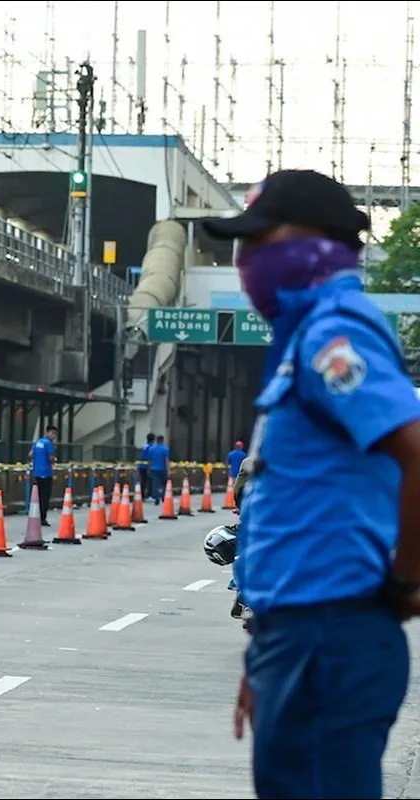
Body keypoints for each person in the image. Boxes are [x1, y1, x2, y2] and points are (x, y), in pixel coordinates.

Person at [202, 168, 420, 799]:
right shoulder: (305, 336)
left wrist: (406, 580)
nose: (247, 258)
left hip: (332, 635)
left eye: (263, 239)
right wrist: (271, 649)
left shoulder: (333, 334)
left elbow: (417, 455)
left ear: (319, 242)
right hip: (302, 637)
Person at [28, 424, 57, 526]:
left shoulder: (38, 442)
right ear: (48, 432)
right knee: (45, 496)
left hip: (36, 473)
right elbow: (51, 458)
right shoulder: (48, 443)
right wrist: (54, 461)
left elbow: (30, 454)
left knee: (37, 496)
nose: (54, 436)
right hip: (46, 473)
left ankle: (35, 516)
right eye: (53, 433)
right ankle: (42, 518)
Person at [147, 435, 170, 504]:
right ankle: (163, 496)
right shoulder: (166, 449)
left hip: (154, 468)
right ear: (162, 440)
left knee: (155, 484)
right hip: (163, 469)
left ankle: (156, 497)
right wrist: (168, 470)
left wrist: (149, 468)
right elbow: (166, 460)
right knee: (163, 484)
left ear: (156, 440)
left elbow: (149, 460)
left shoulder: (151, 449)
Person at [138, 432, 155, 502]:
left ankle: (141, 495)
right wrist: (149, 467)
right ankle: (149, 495)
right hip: (147, 466)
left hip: (141, 465)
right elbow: (150, 458)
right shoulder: (152, 447)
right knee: (150, 480)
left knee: (143, 481)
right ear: (153, 439)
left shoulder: (144, 446)